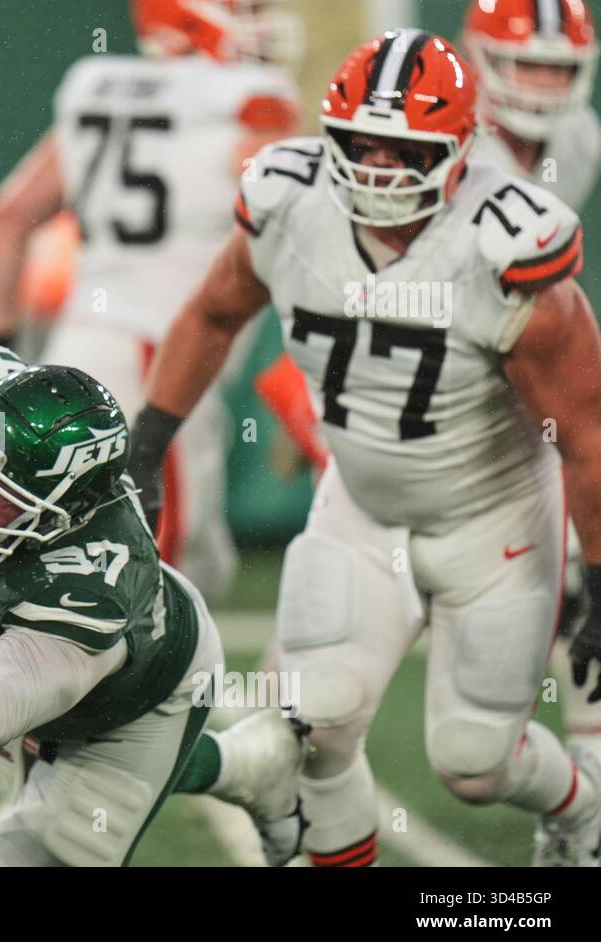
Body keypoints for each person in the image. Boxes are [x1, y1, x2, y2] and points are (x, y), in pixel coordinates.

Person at [129, 28, 601, 866]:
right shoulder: (289, 204)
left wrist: (598, 576)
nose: (379, 168)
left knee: (476, 761)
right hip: (359, 504)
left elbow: (588, 438)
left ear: (459, 151)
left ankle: (584, 810)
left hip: (491, 519)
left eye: (404, 150)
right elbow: (213, 313)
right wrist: (149, 440)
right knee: (315, 726)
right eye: (360, 144)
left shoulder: (505, 247)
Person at [0, 337, 308, 867]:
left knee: (50, 842)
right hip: (3, 642)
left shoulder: (96, 578)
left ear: (59, 519)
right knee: (49, 770)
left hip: (135, 693)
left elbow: (10, 689)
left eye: (5, 498)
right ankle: (250, 763)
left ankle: (249, 766)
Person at [0, 0, 303, 599]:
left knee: (70, 550)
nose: (258, 17)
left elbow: (7, 216)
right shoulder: (249, 100)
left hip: (75, 350)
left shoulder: (98, 88)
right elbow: (301, 222)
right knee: (167, 572)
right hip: (167, 362)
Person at [463, 0, 601, 766]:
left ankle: (588, 761)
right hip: (421, 384)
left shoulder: (576, 140)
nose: (543, 87)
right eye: (527, 64)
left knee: (577, 568)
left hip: (516, 370)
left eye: (558, 69)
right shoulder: (450, 144)